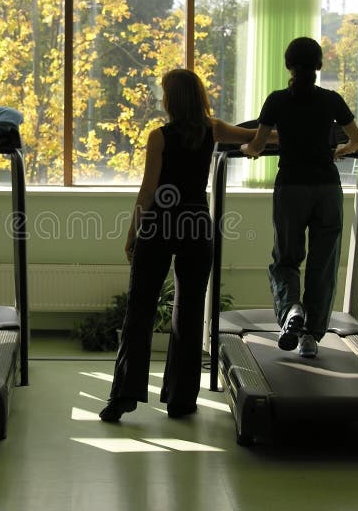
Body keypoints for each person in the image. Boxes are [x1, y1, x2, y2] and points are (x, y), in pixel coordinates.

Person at [99, 69, 265, 422]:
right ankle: (181, 400)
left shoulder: (159, 137)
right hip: (196, 224)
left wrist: (132, 233)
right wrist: (303, 137)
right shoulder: (214, 129)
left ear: (170, 100)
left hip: (159, 223)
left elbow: (148, 191)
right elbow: (260, 136)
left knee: (140, 310)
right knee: (188, 314)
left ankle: (124, 397)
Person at [240, 36, 358, 359]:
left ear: (288, 66)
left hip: (292, 187)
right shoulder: (332, 100)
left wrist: (246, 150)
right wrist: (342, 150)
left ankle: (291, 309)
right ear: (320, 66)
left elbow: (258, 143)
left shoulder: (277, 100)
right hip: (326, 188)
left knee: (286, 258)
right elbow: (357, 139)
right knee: (323, 264)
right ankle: (310, 336)